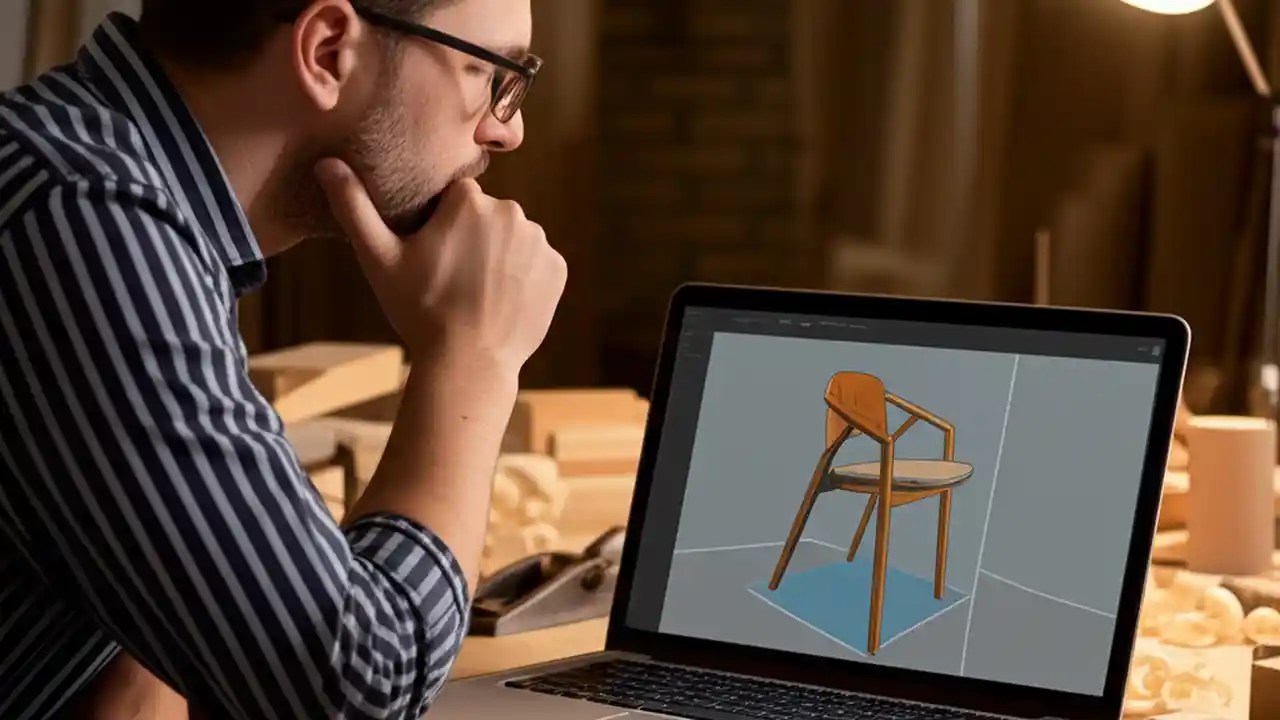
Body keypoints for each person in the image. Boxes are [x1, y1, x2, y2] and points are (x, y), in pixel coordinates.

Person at [0, 0, 566, 717]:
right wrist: (473, 361)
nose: (507, 129)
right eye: (489, 74)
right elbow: (352, 689)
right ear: (328, 51)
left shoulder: (105, 185)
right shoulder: (84, 219)